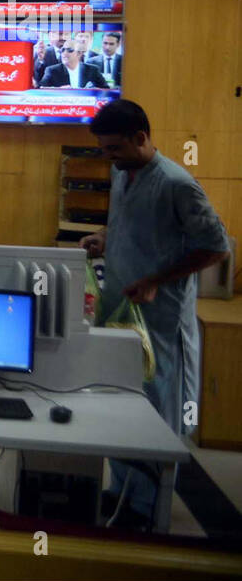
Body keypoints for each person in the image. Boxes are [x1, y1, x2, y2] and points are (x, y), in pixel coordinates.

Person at [80, 100, 230, 529]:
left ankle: (147, 505)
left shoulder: (177, 184)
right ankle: (122, 488)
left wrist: (157, 280)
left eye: (113, 149)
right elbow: (132, 224)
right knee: (118, 399)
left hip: (160, 319)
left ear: (141, 138)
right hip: (119, 309)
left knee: (158, 407)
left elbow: (216, 248)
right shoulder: (121, 172)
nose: (107, 157)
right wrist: (103, 237)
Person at [40, 40, 108, 88]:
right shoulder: (52, 71)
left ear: (79, 53)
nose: (64, 54)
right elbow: (41, 89)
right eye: (63, 50)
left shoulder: (93, 70)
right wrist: (59, 90)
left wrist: (93, 90)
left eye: (70, 50)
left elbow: (106, 89)